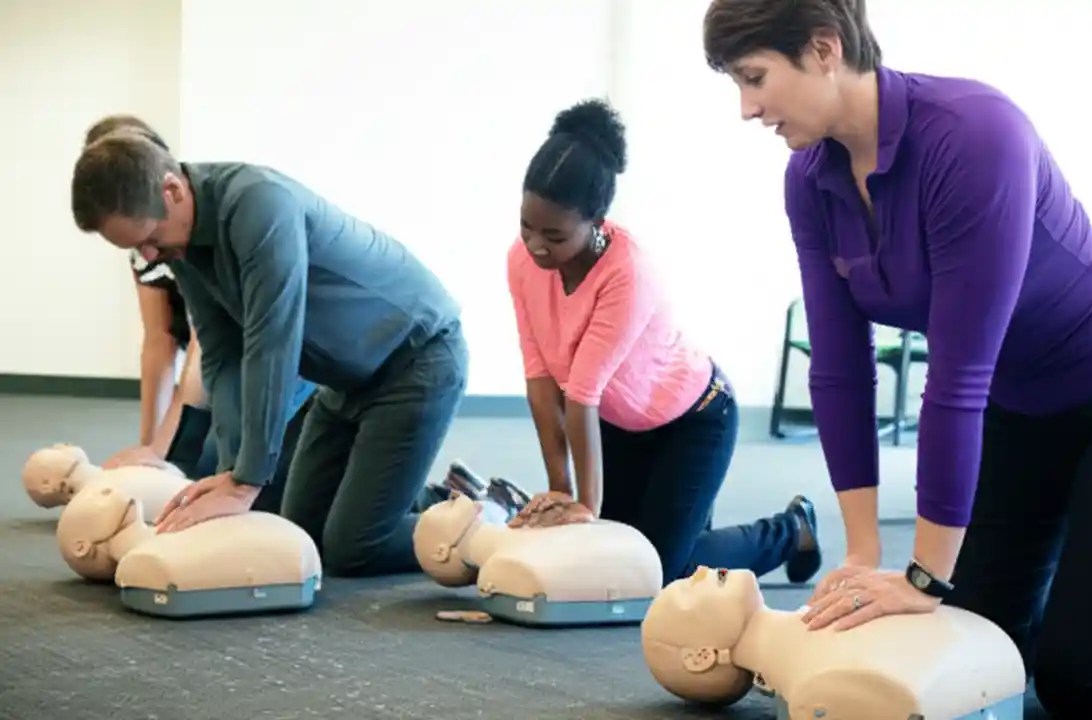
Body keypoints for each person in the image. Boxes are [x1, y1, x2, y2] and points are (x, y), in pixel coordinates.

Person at [701, 1, 1092, 717]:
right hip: (1027, 410)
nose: (747, 108)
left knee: (1085, 678)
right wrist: (859, 555)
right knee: (983, 645)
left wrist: (922, 575)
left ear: (824, 49)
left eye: (754, 78)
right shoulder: (810, 181)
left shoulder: (975, 135)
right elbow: (840, 370)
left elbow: (958, 378)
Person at [70, 129, 467, 576]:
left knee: (352, 550)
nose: (149, 254)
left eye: (150, 238)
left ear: (173, 190)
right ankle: (416, 496)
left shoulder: (259, 205)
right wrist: (227, 474)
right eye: (136, 248)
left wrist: (246, 480)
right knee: (297, 529)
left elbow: (272, 341)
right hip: (344, 382)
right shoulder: (182, 245)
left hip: (416, 363)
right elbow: (221, 356)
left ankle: (477, 515)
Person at [503, 98, 822, 587]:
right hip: (619, 423)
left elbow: (582, 392)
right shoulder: (523, 262)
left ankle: (791, 529)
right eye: (527, 226)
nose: (537, 246)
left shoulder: (628, 272)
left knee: (657, 571)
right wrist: (560, 489)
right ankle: (693, 527)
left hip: (692, 421)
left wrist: (584, 506)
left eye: (555, 235)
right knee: (619, 555)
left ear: (596, 222)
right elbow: (541, 378)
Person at [79, 115, 315, 514]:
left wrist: (165, 451)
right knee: (203, 471)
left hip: (276, 374)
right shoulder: (145, 244)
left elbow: (208, 352)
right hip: (226, 381)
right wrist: (148, 446)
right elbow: (159, 341)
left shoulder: (203, 224)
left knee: (233, 481)